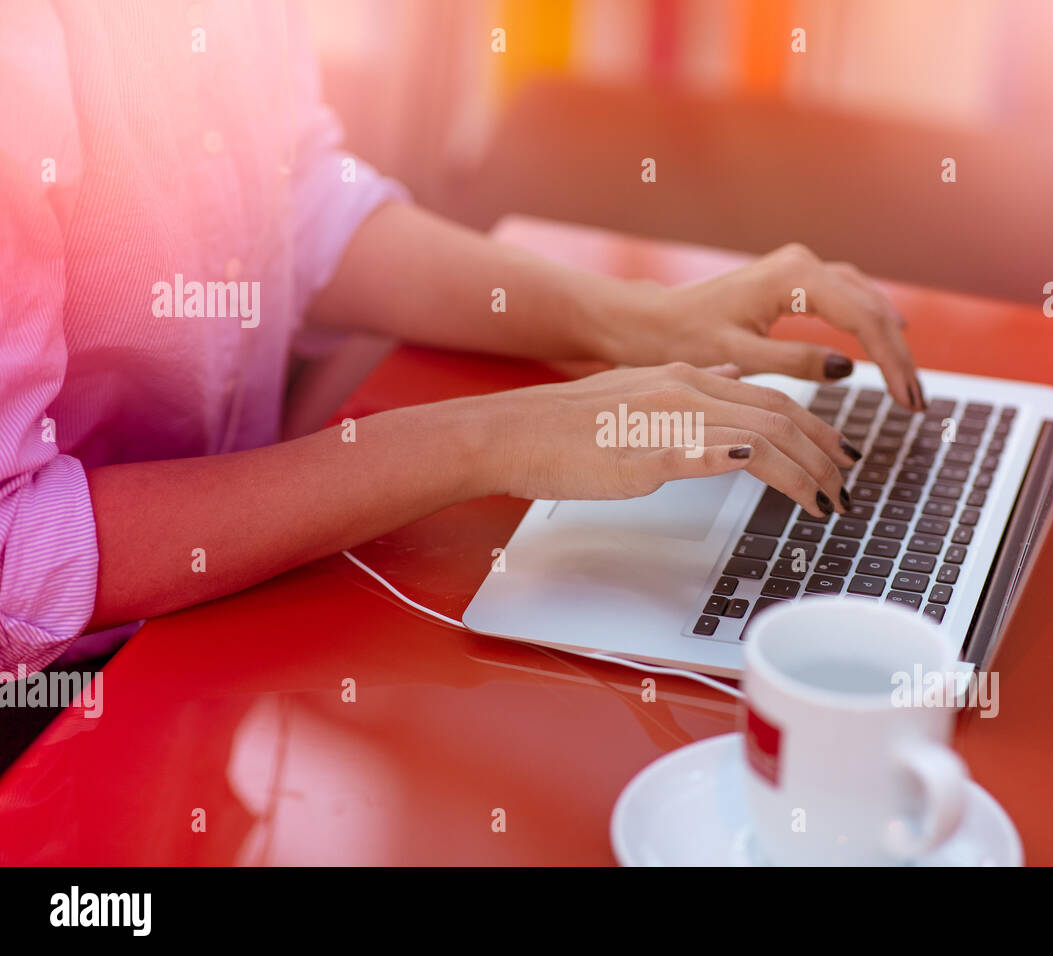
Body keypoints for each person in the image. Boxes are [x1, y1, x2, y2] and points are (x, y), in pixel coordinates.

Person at [0, 0, 923, 675]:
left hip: (218, 603)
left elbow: (302, 204)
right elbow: (15, 558)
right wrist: (495, 438)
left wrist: (628, 316)